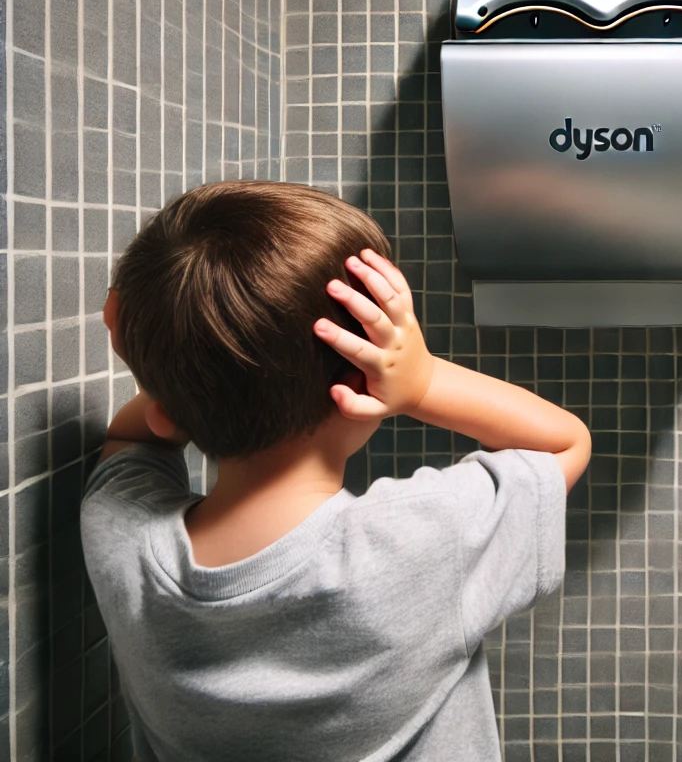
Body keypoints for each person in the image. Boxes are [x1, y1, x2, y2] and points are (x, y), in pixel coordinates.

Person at [80, 180, 591, 762]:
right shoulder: (414, 543)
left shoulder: (126, 549)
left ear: (165, 407)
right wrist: (421, 381)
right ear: (361, 382)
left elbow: (131, 437)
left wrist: (166, 377)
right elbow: (564, 443)